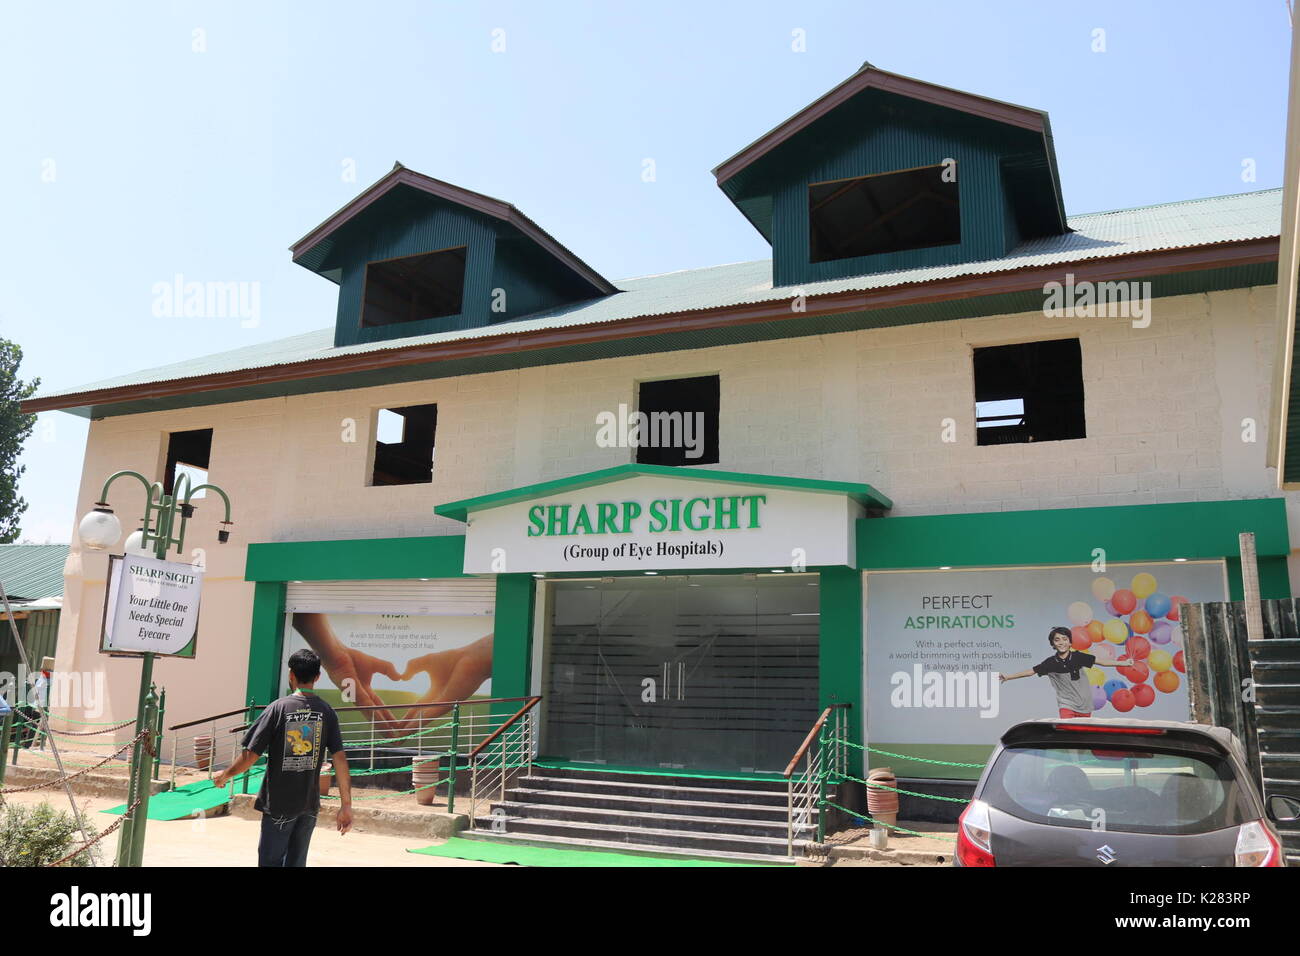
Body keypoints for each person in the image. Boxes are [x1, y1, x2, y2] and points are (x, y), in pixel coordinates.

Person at [215, 649, 353, 866]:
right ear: (317, 677)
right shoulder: (327, 712)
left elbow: (250, 755)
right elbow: (340, 760)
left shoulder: (277, 709)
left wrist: (225, 775)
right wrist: (346, 806)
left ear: (291, 675)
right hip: (308, 805)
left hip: (279, 805)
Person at [1000, 626, 1132, 718]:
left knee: (1081, 738)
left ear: (1070, 642)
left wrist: (1124, 663)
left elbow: (1102, 662)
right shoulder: (1050, 663)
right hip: (1067, 704)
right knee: (1068, 732)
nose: (1061, 642)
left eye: (1064, 639)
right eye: (1057, 640)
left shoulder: (1079, 657)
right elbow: (1031, 671)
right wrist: (1008, 677)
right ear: (1053, 644)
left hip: (1085, 705)